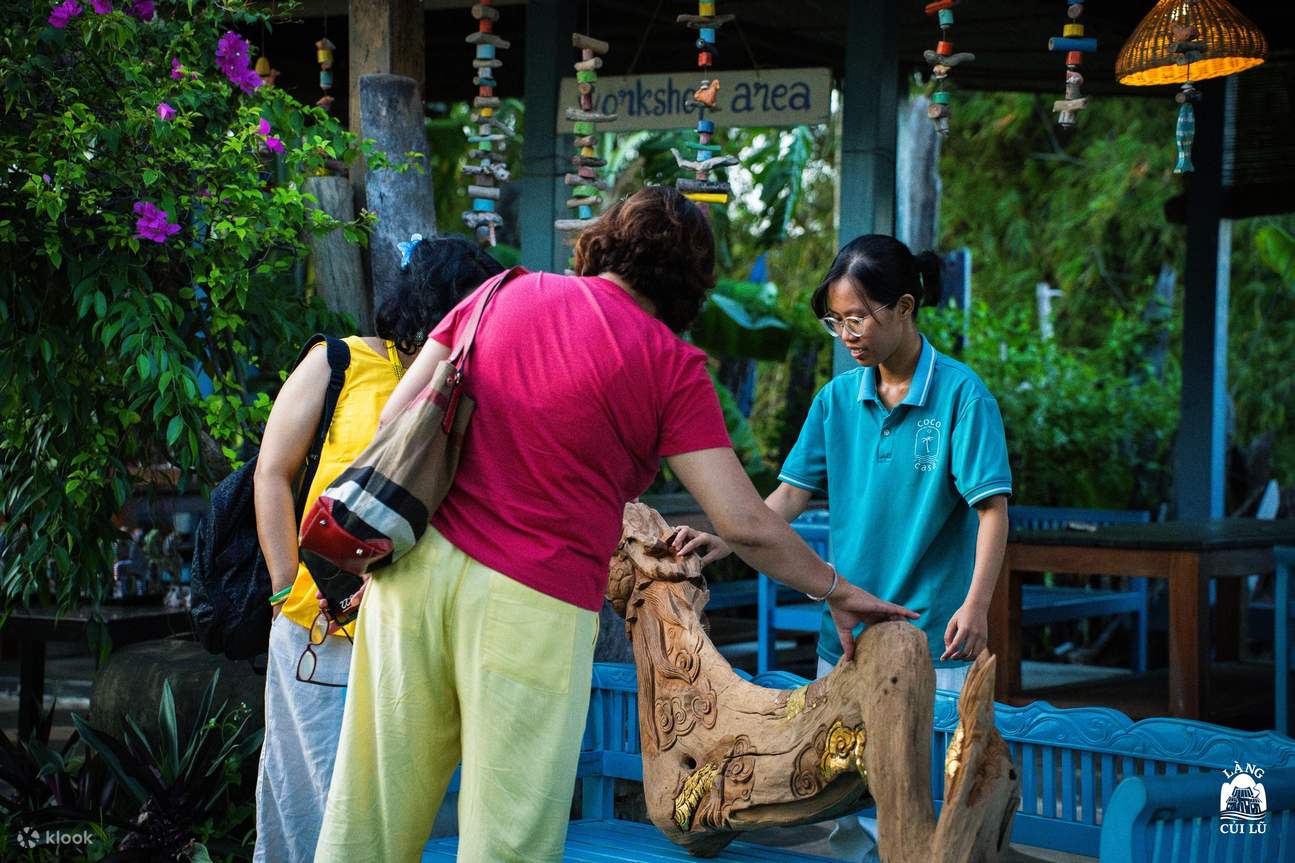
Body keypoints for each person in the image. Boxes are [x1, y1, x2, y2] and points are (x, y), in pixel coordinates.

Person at [313, 187, 917, 863]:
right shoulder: (668, 364)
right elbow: (744, 523)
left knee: (370, 814)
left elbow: (396, 418)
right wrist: (836, 589)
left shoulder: (499, 293)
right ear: (691, 281)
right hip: (531, 604)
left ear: (603, 241)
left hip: (415, 580)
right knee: (506, 835)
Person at [251, 236, 503, 863]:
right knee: (309, 795)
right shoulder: (340, 362)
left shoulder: (474, 386)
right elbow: (272, 472)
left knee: (400, 814)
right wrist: (285, 588)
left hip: (416, 635)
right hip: (320, 629)